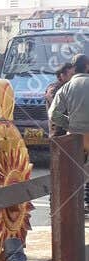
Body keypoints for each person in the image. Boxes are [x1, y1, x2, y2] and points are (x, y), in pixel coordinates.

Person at [48, 54, 89, 209]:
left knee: (73, 174)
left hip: (75, 137)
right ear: (87, 66)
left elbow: (53, 114)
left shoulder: (66, 87)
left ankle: (72, 206)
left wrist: (70, 124)